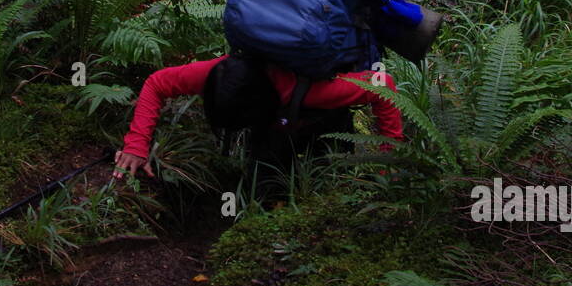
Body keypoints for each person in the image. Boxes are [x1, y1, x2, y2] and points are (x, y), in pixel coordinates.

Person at [111, 53, 403, 180]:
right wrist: (136, 145)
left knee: (325, 172)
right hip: (272, 118)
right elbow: (157, 83)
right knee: (266, 179)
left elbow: (383, 86)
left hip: (322, 122)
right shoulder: (220, 73)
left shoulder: (315, 91)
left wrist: (387, 166)